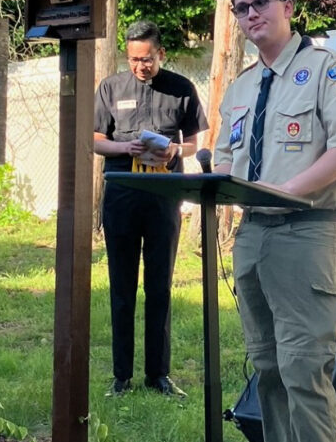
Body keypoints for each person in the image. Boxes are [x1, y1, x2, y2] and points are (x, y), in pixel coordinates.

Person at [213, 0, 336, 442]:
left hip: (306, 232)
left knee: (304, 368)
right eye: (241, 9)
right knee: (266, 365)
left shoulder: (326, 68)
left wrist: (286, 191)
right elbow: (223, 163)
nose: (250, 15)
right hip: (253, 236)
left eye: (260, 3)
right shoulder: (241, 87)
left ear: (288, 7)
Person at [93, 20, 208, 397]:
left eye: (146, 59)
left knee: (159, 285)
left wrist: (176, 150)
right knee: (122, 287)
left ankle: (158, 374)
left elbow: (193, 143)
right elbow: (95, 140)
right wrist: (124, 148)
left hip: (163, 196)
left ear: (160, 53)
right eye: (133, 59)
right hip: (122, 193)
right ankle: (121, 376)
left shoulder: (181, 89)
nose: (140, 66)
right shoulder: (110, 87)